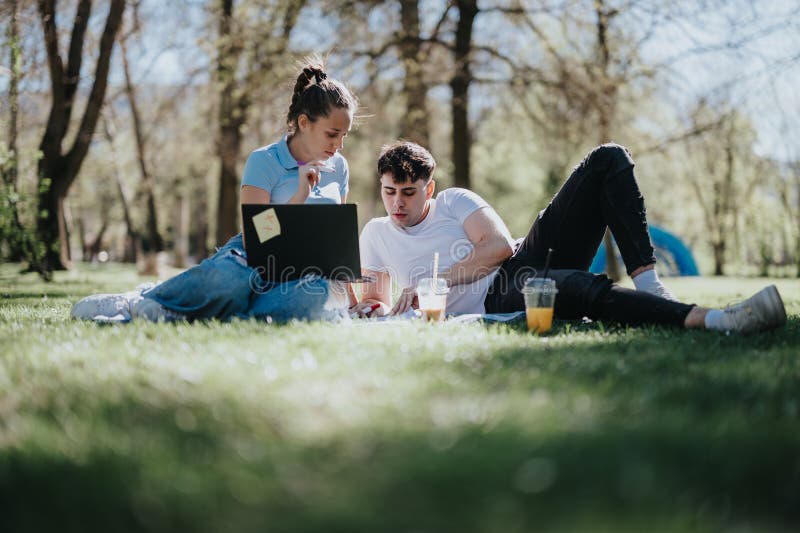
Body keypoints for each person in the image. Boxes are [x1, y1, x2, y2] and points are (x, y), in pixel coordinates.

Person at [350, 141, 787, 334]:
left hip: (519, 260)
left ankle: (651, 283)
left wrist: (440, 279)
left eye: (409, 193)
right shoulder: (376, 233)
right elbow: (376, 302)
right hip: (498, 301)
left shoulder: (453, 202)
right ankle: (717, 321)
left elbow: (499, 247)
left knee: (608, 158)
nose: (398, 204)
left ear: (428, 188)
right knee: (575, 289)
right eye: (390, 193)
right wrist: (375, 307)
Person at [72, 56, 358, 323]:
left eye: (344, 136)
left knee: (318, 293)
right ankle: (147, 299)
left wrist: (355, 302)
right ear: (304, 123)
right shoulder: (265, 161)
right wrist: (298, 198)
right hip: (252, 262)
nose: (339, 145)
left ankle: (184, 310)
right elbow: (257, 234)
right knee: (233, 280)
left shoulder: (340, 168)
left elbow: (337, 246)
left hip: (300, 276)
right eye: (332, 134)